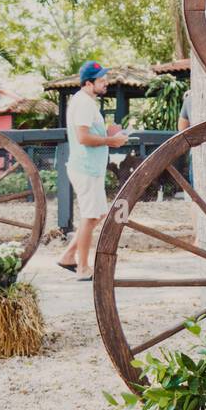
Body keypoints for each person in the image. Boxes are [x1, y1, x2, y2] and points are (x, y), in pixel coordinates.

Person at [57, 60, 128, 281]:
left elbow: (89, 132)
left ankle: (68, 255)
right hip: (86, 169)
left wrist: (108, 133)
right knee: (90, 217)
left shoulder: (86, 102)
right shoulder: (84, 104)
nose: (106, 83)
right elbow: (83, 137)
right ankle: (82, 268)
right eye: (101, 80)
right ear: (88, 83)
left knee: (98, 214)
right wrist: (111, 141)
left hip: (91, 169)